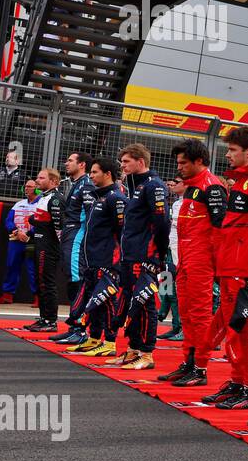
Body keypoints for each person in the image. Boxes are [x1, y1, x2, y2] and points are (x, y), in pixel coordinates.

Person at [200, 127, 248, 409]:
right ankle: (237, 382)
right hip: (231, 266)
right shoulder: (242, 182)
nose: (227, 154)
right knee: (235, 329)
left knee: (247, 328)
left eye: (233, 150)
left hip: (245, 269)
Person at [157, 140, 227, 387]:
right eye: (178, 163)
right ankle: (188, 362)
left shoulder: (213, 187)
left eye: (184, 163)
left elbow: (221, 229)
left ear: (199, 161)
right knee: (185, 314)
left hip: (202, 261)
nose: (179, 168)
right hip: (185, 258)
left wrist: (217, 265)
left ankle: (200, 367)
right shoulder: (191, 188)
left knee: (199, 315)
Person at [109, 144, 170, 370]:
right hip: (129, 254)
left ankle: (146, 353)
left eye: (126, 162)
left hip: (145, 256)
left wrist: (157, 252)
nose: (122, 166)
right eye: (122, 162)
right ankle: (133, 349)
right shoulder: (135, 186)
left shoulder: (153, 186)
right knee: (128, 302)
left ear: (140, 162)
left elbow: (162, 222)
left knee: (144, 304)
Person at [64, 158, 126, 359]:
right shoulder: (98, 197)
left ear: (108, 174)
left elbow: (121, 231)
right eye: (91, 172)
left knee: (106, 300)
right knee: (94, 300)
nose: (91, 176)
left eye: (95, 172)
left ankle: (109, 342)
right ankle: (93, 338)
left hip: (107, 259)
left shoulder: (116, 198)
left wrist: (114, 258)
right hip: (92, 258)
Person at [51, 152, 92, 344]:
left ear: (82, 164)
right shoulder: (76, 184)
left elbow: (90, 216)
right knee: (71, 278)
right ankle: (74, 326)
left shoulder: (86, 184)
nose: (66, 163)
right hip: (70, 234)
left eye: (70, 160)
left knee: (77, 280)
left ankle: (80, 329)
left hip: (77, 235)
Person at [23, 168, 62, 332]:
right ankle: (43, 318)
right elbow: (38, 219)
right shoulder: (43, 197)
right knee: (40, 282)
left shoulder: (55, 199)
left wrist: (35, 221)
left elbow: (59, 226)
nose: (37, 180)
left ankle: (51, 321)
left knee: (47, 282)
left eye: (41, 177)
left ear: (53, 181)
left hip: (49, 246)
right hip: (40, 243)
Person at [0, 179, 38, 304]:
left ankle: (38, 298)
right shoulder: (18, 204)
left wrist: (28, 234)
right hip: (16, 240)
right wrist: (16, 231)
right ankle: (7, 295)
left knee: (33, 268)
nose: (26, 189)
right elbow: (8, 220)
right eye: (25, 186)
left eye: (30, 186)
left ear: (36, 189)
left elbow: (42, 221)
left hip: (31, 241)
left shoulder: (41, 204)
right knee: (11, 265)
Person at [157, 192, 184, 341]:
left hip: (179, 253)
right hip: (168, 250)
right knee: (165, 288)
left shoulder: (189, 203)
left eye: (177, 183)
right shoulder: (174, 204)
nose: (173, 185)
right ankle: (166, 317)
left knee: (175, 293)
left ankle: (178, 326)